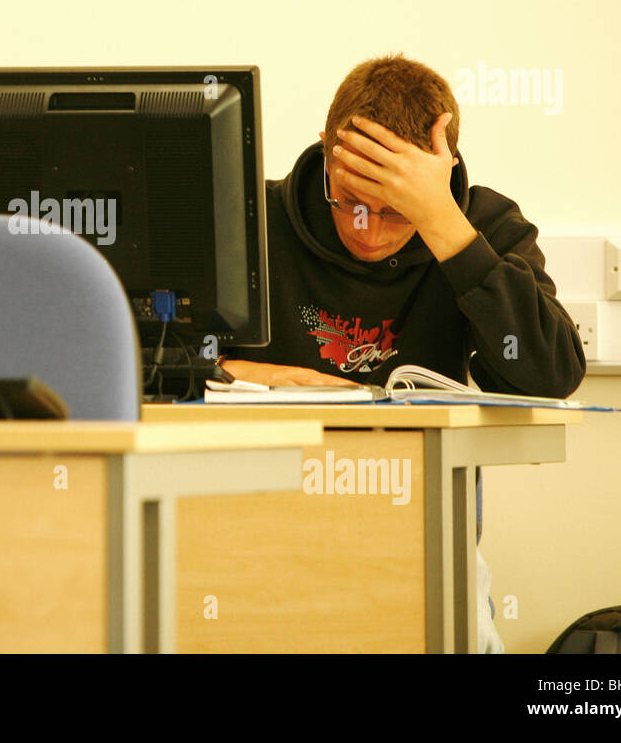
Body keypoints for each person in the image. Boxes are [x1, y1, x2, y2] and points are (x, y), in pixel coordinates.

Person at [223, 53, 586, 652]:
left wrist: (442, 222)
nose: (367, 230)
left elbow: (549, 374)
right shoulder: (250, 221)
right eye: (350, 200)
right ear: (324, 150)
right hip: (255, 516)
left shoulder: (483, 226)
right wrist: (249, 372)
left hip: (417, 517)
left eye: (396, 210)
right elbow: (141, 359)